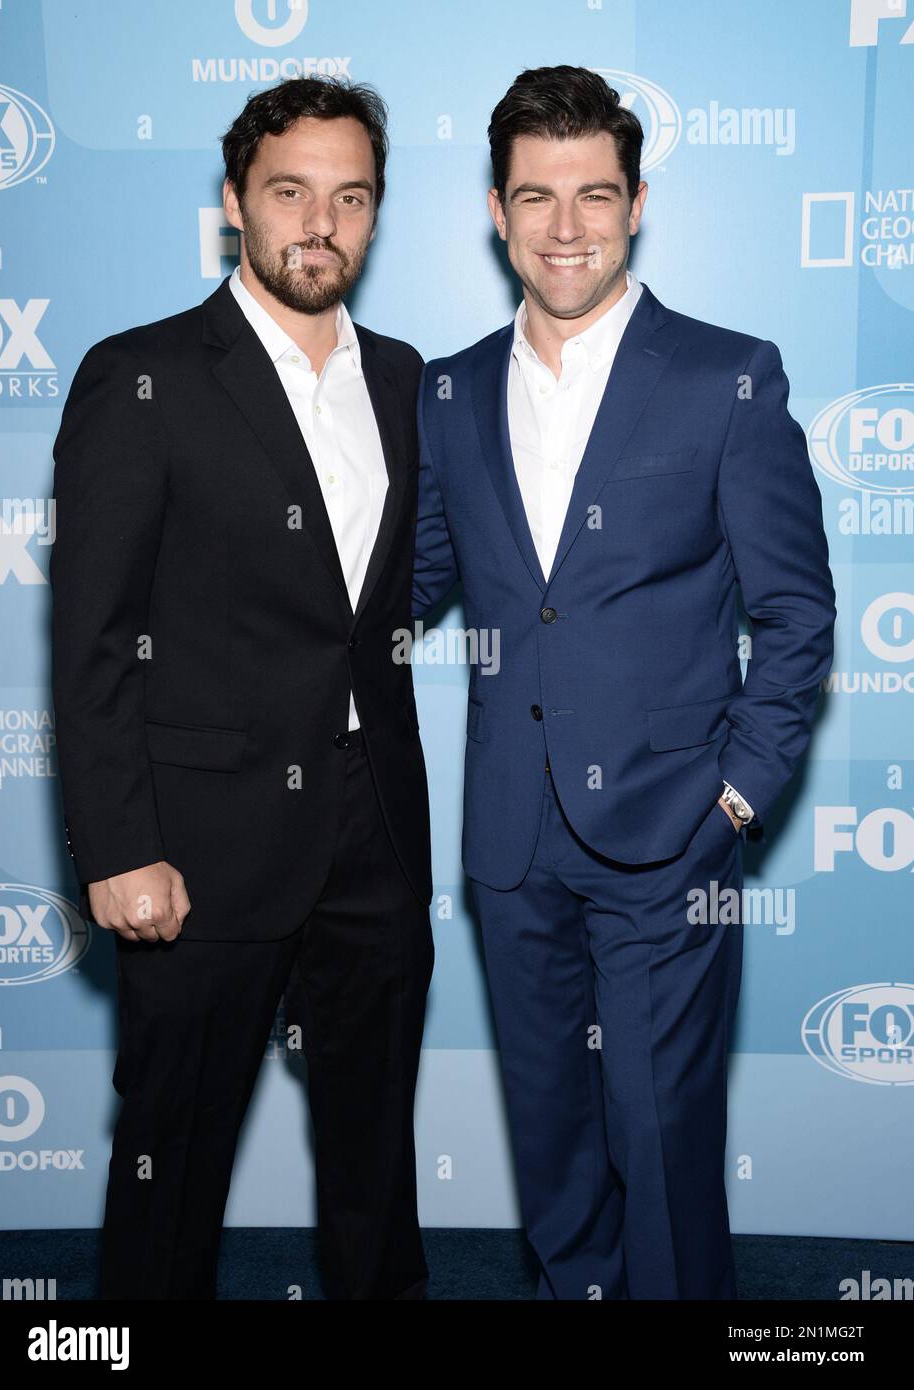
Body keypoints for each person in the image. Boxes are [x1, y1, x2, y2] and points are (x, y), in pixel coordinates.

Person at [412, 64, 836, 1299]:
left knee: (660, 1143)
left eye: (593, 195)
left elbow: (798, 613)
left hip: (668, 835)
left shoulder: (726, 376)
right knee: (552, 1151)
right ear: (496, 209)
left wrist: (740, 797)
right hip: (509, 840)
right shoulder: (449, 391)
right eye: (536, 197)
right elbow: (417, 579)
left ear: (637, 203)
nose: (565, 229)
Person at [50, 77, 433, 1301]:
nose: (319, 221)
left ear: (374, 216)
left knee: (375, 1160)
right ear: (234, 205)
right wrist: (118, 846)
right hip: (201, 845)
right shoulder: (141, 376)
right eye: (289, 192)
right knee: (172, 1163)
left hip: (375, 823)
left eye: (349, 196)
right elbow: (94, 635)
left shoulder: (407, 381)